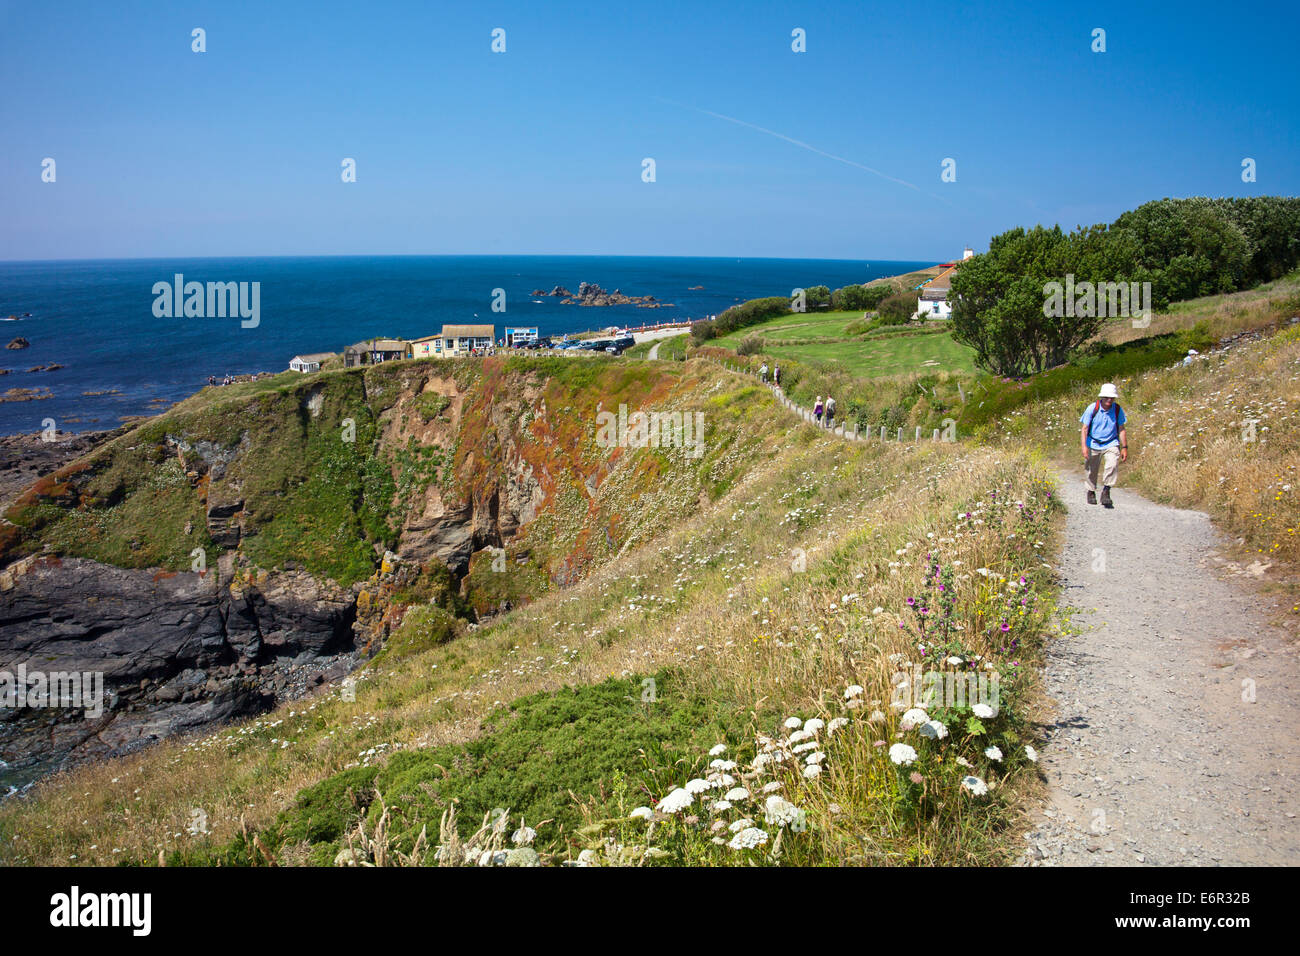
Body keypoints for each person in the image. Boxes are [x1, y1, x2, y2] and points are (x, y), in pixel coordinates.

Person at [1080, 383, 1128, 507]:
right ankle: (1091, 491)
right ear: (1102, 397)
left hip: (1111, 442)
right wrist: (1084, 447)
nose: (1109, 400)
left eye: (1111, 398)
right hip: (1093, 443)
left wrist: (1124, 447)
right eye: (1107, 397)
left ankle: (1106, 491)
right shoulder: (1092, 408)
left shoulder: (1117, 410)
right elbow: (1084, 428)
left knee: (1112, 465)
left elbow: (1121, 428)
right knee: (1091, 470)